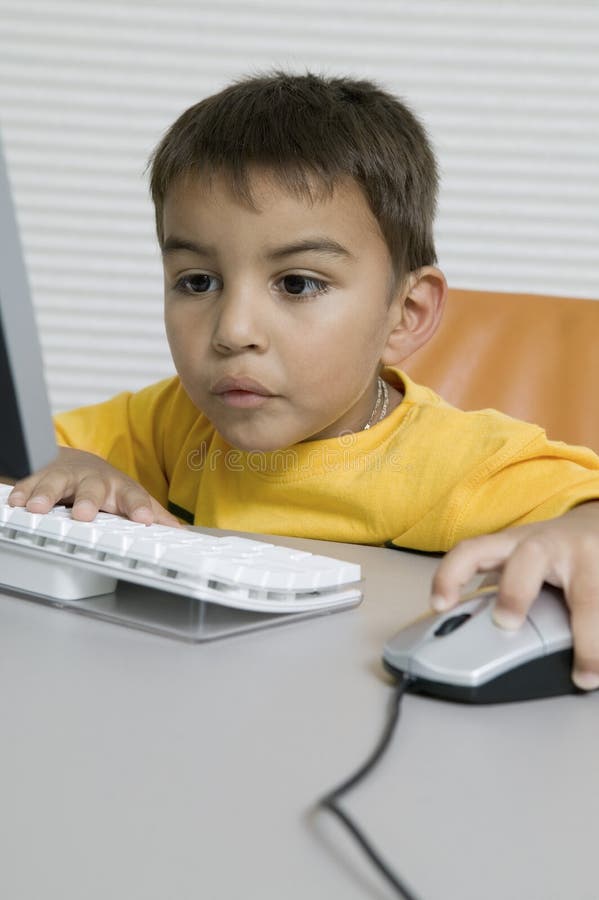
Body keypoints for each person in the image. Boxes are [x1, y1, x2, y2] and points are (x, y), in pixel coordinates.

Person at [7, 71, 599, 689]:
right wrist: (66, 464)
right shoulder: (171, 423)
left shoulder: (459, 465)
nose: (233, 330)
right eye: (197, 281)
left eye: (297, 283)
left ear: (406, 313)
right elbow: (22, 456)